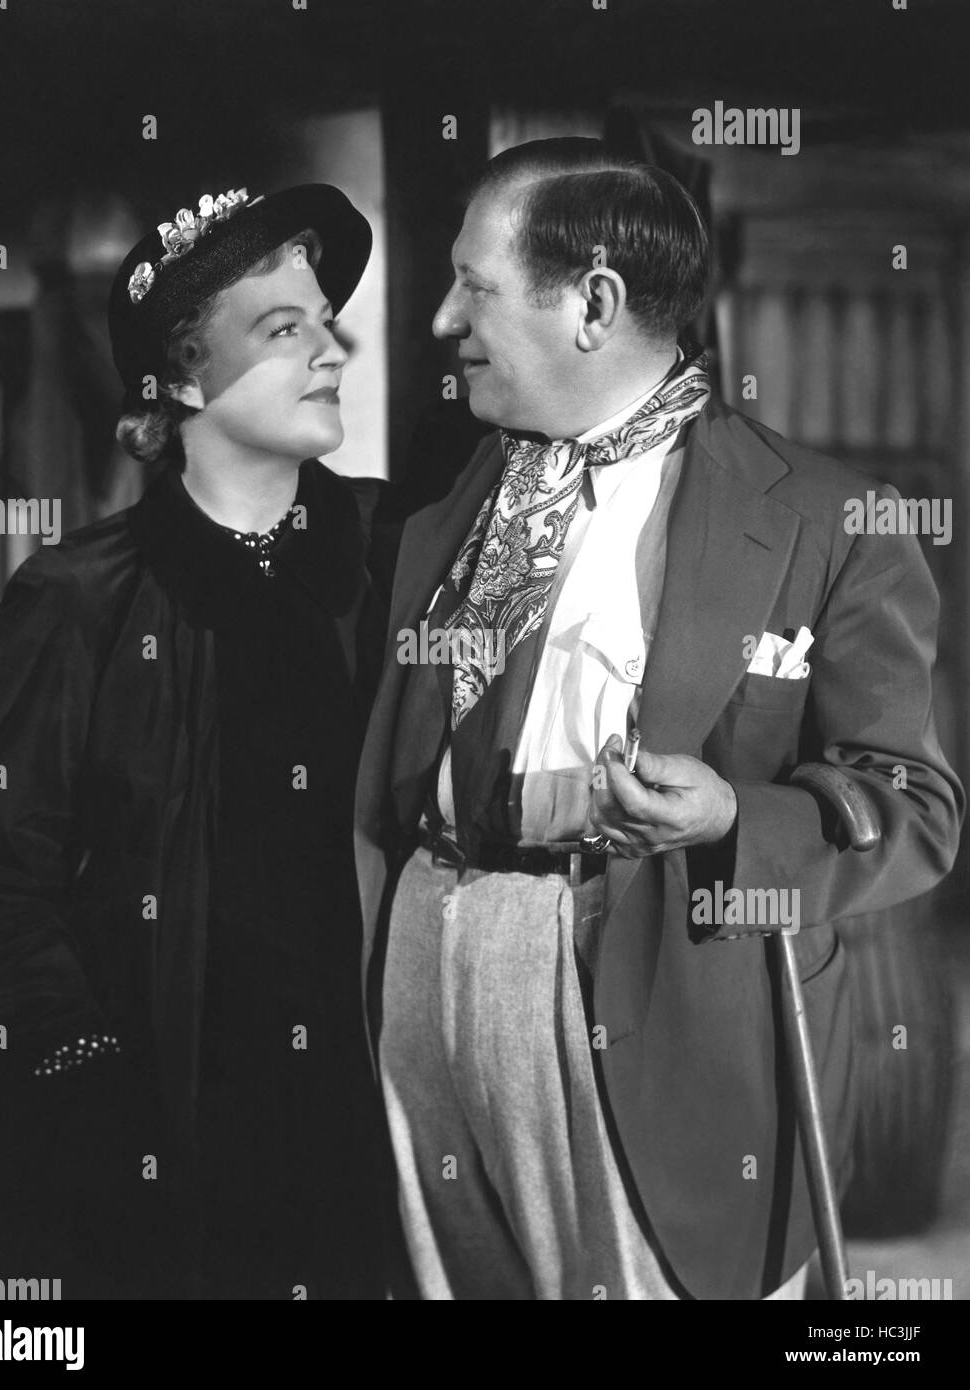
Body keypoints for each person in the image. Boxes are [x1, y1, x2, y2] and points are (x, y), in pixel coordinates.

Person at [355, 139, 964, 1300]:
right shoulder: (452, 504)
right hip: (426, 956)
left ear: (594, 303)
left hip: (643, 977)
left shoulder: (828, 520)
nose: (441, 318)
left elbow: (915, 807)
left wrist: (740, 812)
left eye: (473, 285)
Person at [0, 181, 398, 1299]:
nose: (329, 349)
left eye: (326, 321)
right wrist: (78, 1069)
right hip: (162, 1119)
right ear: (184, 376)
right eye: (283, 330)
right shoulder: (80, 595)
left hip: (367, 1109)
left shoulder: (389, 551)